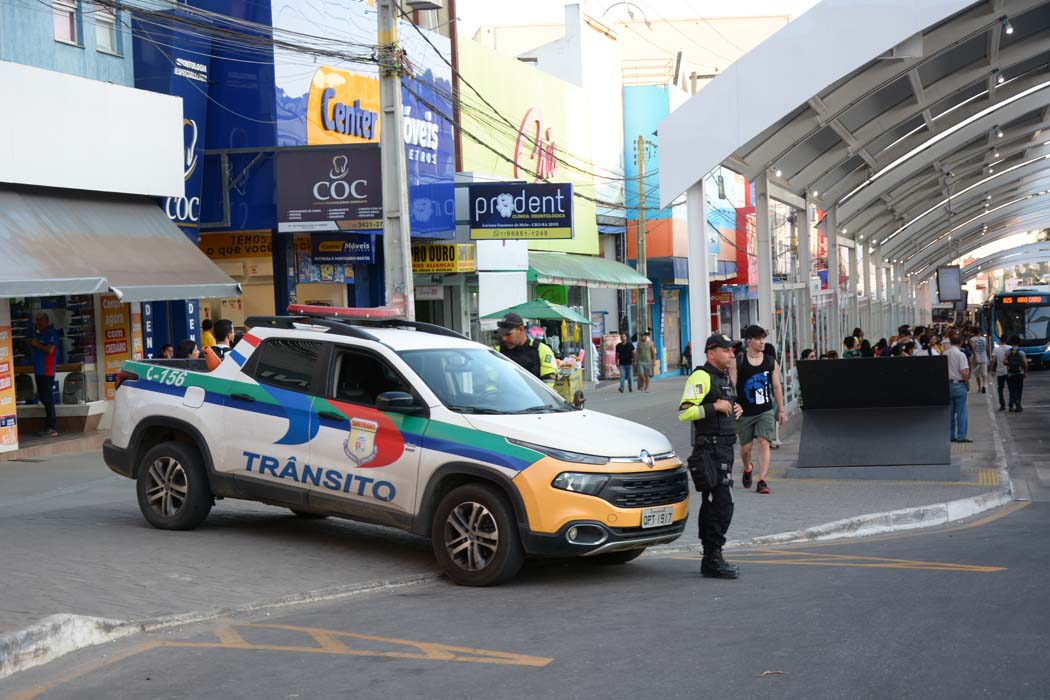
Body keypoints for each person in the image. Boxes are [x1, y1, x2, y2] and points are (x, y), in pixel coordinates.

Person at [678, 332, 743, 579]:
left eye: (732, 350)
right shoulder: (701, 376)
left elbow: (728, 404)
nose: (731, 354)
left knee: (715, 504)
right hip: (710, 451)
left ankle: (712, 557)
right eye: (726, 350)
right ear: (711, 352)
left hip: (725, 449)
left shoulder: (723, 377)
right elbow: (684, 413)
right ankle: (713, 558)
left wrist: (737, 407)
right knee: (721, 504)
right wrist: (713, 407)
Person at [731, 325, 785, 495]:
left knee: (764, 442)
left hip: (765, 410)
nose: (762, 342)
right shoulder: (738, 362)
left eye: (763, 339)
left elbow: (776, 387)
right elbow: (732, 388)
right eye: (758, 339)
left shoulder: (770, 362)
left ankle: (762, 480)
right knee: (746, 449)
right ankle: (748, 468)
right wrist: (734, 405)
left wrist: (781, 410)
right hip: (744, 412)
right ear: (749, 341)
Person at [496, 312, 557, 381]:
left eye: (508, 334)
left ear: (521, 330)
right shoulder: (498, 351)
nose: (504, 339)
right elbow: (491, 379)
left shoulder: (541, 350)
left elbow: (548, 380)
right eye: (502, 335)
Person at [29, 312, 59, 438]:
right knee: (43, 398)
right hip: (39, 371)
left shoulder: (51, 333)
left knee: (47, 399)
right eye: (37, 320)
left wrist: (36, 344)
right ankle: (48, 427)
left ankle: (52, 427)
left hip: (47, 371)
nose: (38, 322)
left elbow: (50, 350)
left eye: (40, 319)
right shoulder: (39, 334)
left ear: (46, 320)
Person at [945, 331, 971, 443]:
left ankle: (950, 435)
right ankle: (961, 436)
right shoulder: (961, 355)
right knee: (961, 411)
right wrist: (968, 383)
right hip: (959, 385)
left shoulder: (945, 353)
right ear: (961, 343)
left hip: (948, 385)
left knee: (950, 412)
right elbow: (964, 372)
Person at [1004, 334, 1028, 412]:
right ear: (1019, 342)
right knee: (1019, 390)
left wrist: (1009, 365)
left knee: (1012, 390)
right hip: (1019, 373)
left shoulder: (1008, 352)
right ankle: (1018, 404)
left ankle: (1012, 404)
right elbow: (1026, 363)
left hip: (1010, 374)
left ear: (1011, 342)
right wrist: (1025, 372)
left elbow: (1004, 362)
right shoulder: (1021, 352)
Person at [990, 336, 1012, 411]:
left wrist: (991, 369)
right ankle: (1011, 405)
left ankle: (1002, 405)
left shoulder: (996, 349)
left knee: (1000, 389)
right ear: (1006, 340)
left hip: (1000, 371)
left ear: (1000, 340)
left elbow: (993, 360)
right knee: (1011, 389)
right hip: (1009, 371)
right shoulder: (1010, 348)